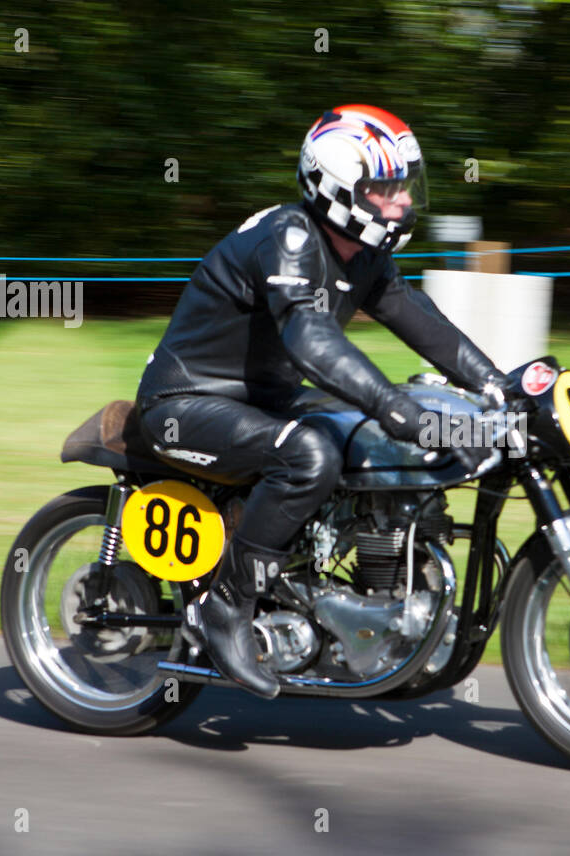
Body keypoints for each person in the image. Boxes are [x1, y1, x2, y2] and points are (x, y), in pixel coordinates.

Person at [135, 104, 510, 700]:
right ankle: (227, 606)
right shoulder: (289, 236)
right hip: (186, 402)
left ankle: (354, 593)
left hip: (265, 401)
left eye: (404, 187)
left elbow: (420, 321)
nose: (402, 202)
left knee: (370, 443)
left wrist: (498, 384)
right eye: (383, 189)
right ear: (337, 189)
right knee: (309, 455)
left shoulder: (362, 254)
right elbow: (310, 337)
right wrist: (393, 402)